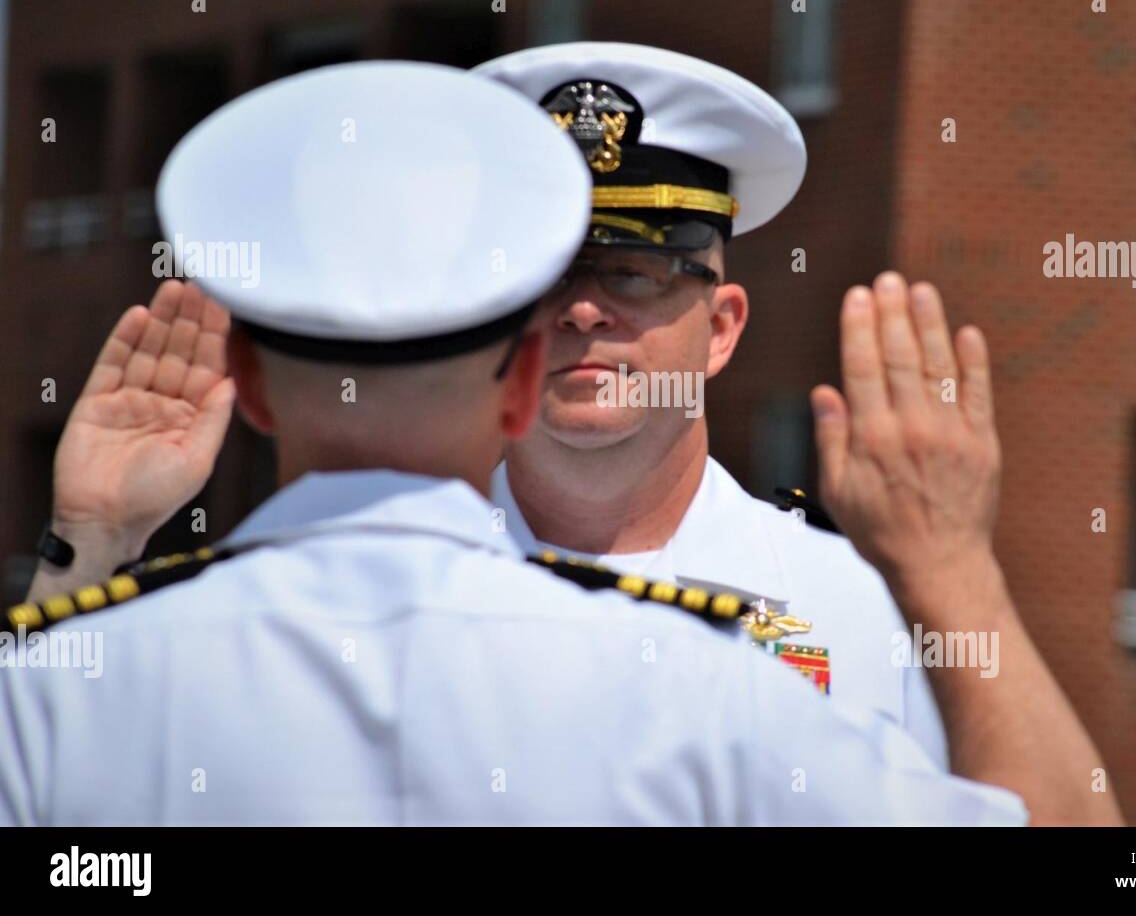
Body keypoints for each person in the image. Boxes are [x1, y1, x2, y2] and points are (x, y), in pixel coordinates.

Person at [0, 59, 1030, 825]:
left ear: (721, 330)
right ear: (514, 343)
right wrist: (84, 545)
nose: (582, 314)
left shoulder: (860, 604)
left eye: (634, 273)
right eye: (544, 283)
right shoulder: (714, 680)